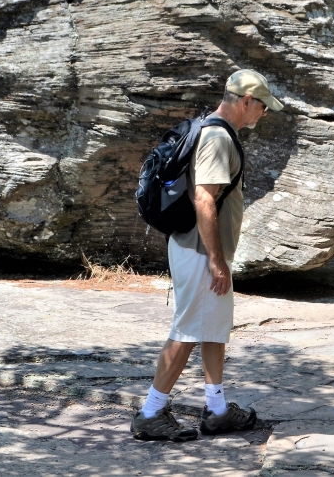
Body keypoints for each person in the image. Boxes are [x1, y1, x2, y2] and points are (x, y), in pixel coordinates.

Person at [130, 69, 283, 442]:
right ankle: (150, 413)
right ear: (246, 101)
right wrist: (216, 260)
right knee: (186, 332)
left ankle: (216, 411)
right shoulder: (216, 137)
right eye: (262, 106)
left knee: (213, 330)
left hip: (204, 250)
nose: (263, 114)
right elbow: (204, 198)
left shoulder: (215, 130)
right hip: (200, 252)